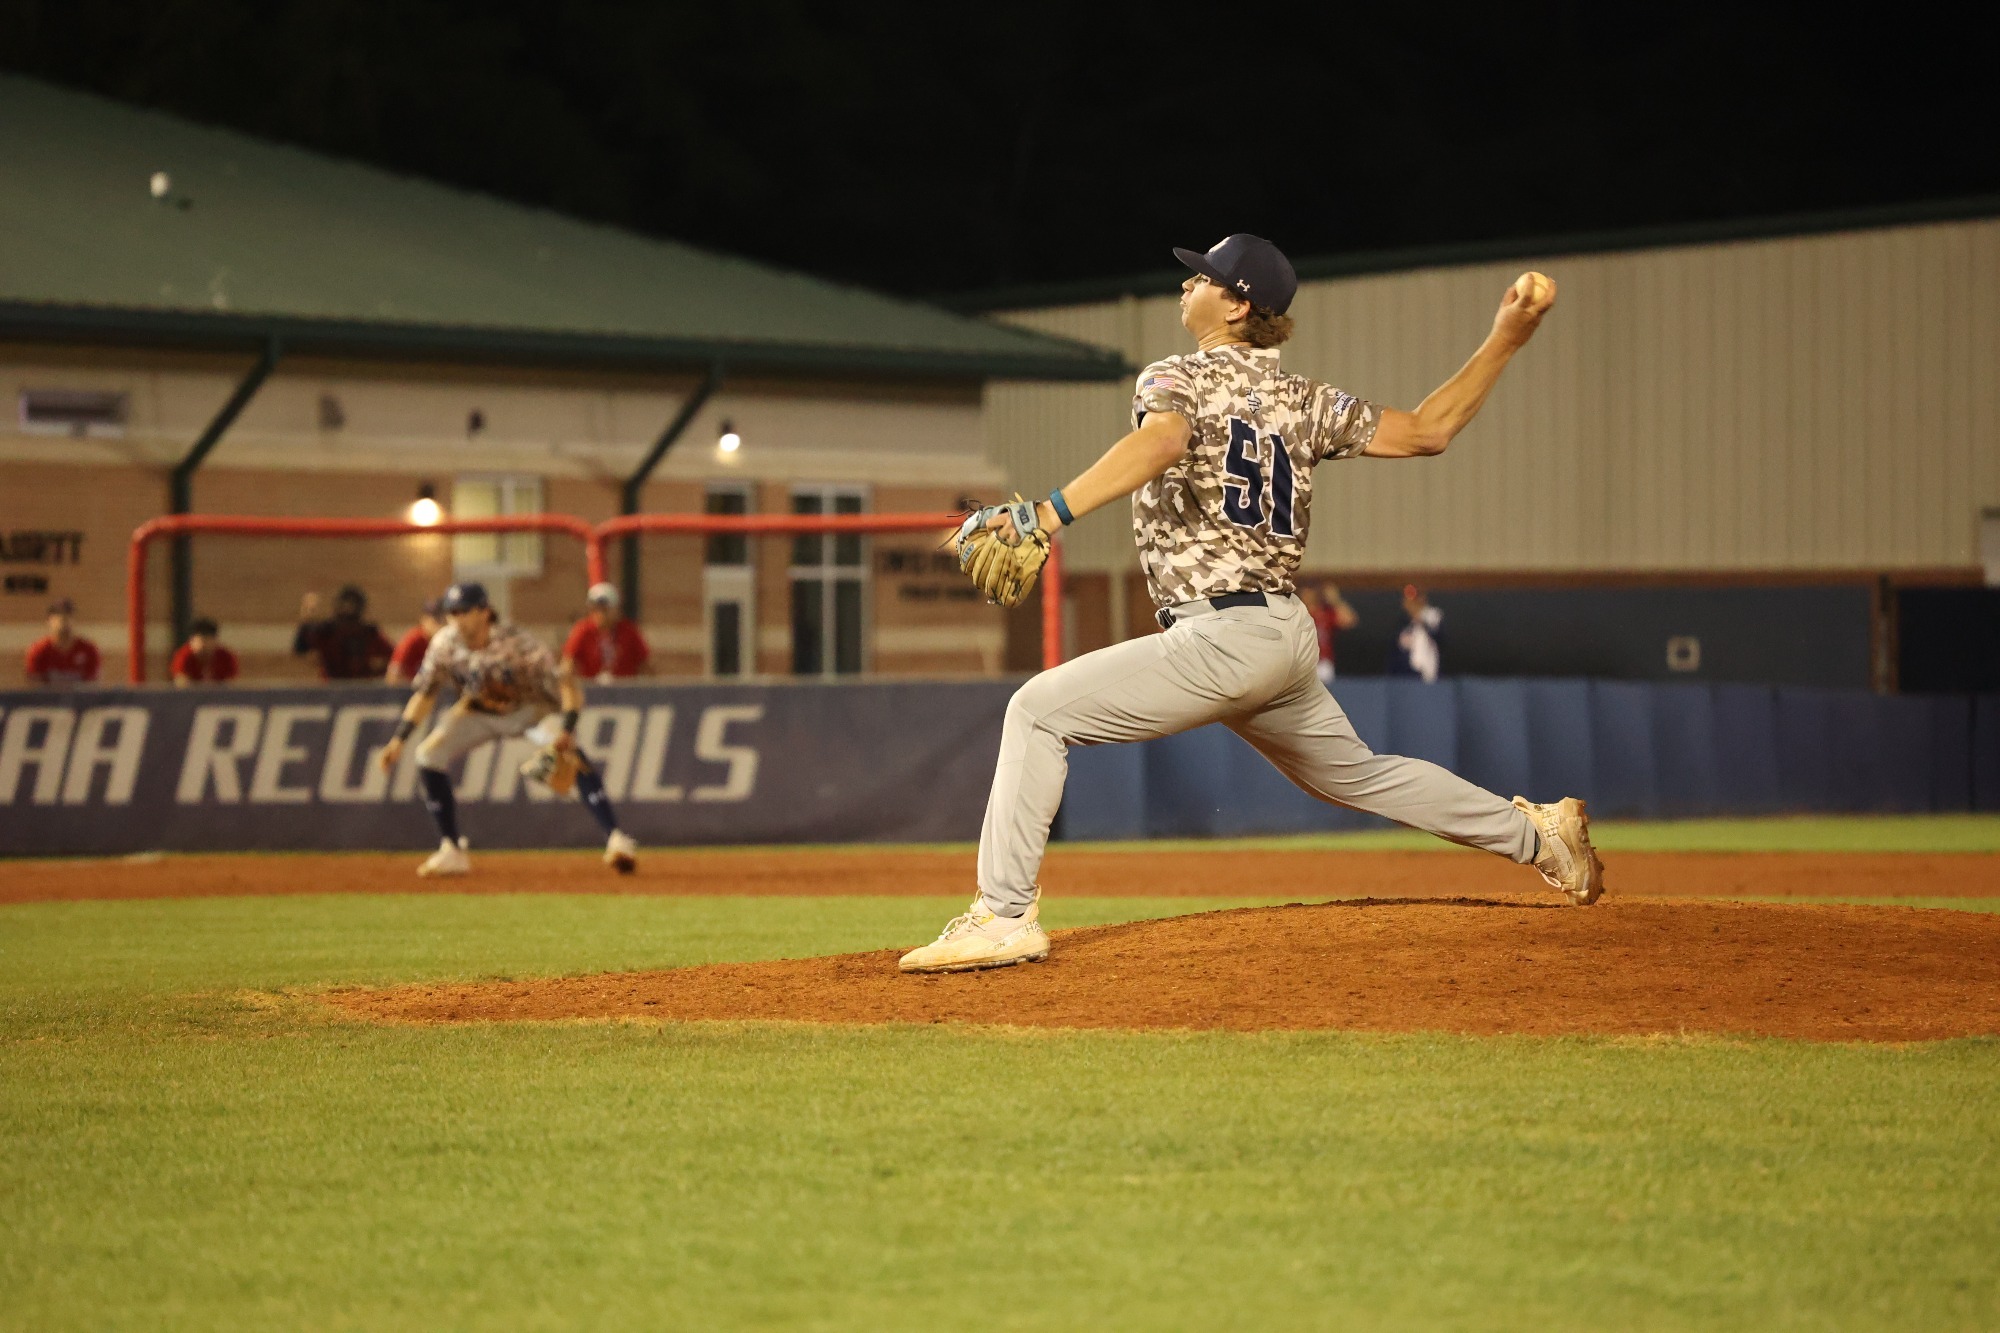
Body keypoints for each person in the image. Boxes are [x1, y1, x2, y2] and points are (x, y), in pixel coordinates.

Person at [899, 236, 1602, 975]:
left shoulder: (1176, 377)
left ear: (1237, 304)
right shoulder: (1306, 400)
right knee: (1360, 773)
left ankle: (1004, 915)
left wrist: (1048, 514)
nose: (1185, 285)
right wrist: (1505, 338)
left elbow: (1165, 439)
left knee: (1036, 712)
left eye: (1199, 276)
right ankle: (1540, 837)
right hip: (1280, 636)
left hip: (1221, 637)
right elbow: (1430, 430)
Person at [377, 581, 639, 877]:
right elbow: (425, 694)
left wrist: (567, 728)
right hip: (480, 710)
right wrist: (399, 739)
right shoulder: (444, 644)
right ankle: (451, 849)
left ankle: (617, 839)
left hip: (531, 709)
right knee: (427, 756)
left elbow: (566, 683)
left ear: (484, 612)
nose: (456, 618)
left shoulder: (518, 643)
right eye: (451, 612)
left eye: (463, 611)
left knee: (572, 753)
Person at [294, 585, 394, 680]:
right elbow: (301, 646)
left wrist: (373, 671)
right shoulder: (327, 632)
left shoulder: (368, 634)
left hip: (361, 689)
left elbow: (395, 657)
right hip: (331, 689)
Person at [561, 582, 650, 682]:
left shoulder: (629, 631)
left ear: (616, 608)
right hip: (592, 692)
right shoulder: (582, 630)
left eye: (605, 609)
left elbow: (645, 666)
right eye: (595, 608)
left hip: (624, 692)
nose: (600, 613)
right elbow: (567, 665)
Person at [24, 598, 100, 685]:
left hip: (79, 698)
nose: (64, 621)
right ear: (49, 621)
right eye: (59, 616)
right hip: (49, 698)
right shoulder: (39, 650)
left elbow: (93, 686)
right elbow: (34, 686)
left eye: (68, 616)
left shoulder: (88, 650)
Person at [1306, 582, 1359, 685]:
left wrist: (1335, 600)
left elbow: (1350, 621)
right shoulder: (1296, 614)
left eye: (1312, 594)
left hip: (1323, 662)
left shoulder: (1325, 614)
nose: (1308, 597)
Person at [1389, 585, 1445, 683]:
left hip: (1429, 675)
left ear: (1422, 599)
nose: (1410, 603)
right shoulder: (1403, 624)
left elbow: (1441, 640)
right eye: (1408, 600)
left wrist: (1422, 622)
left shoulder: (1433, 616)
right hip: (1408, 677)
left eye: (1413, 600)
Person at [386, 597, 444, 684]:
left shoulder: (445, 641)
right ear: (424, 619)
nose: (439, 625)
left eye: (442, 620)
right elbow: (392, 677)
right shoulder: (413, 639)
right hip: (409, 693)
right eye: (435, 620)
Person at [171, 617, 239, 686]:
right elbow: (181, 682)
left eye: (208, 640)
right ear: (191, 641)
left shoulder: (226, 657)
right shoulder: (183, 656)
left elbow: (231, 685)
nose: (204, 645)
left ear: (215, 641)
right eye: (200, 641)